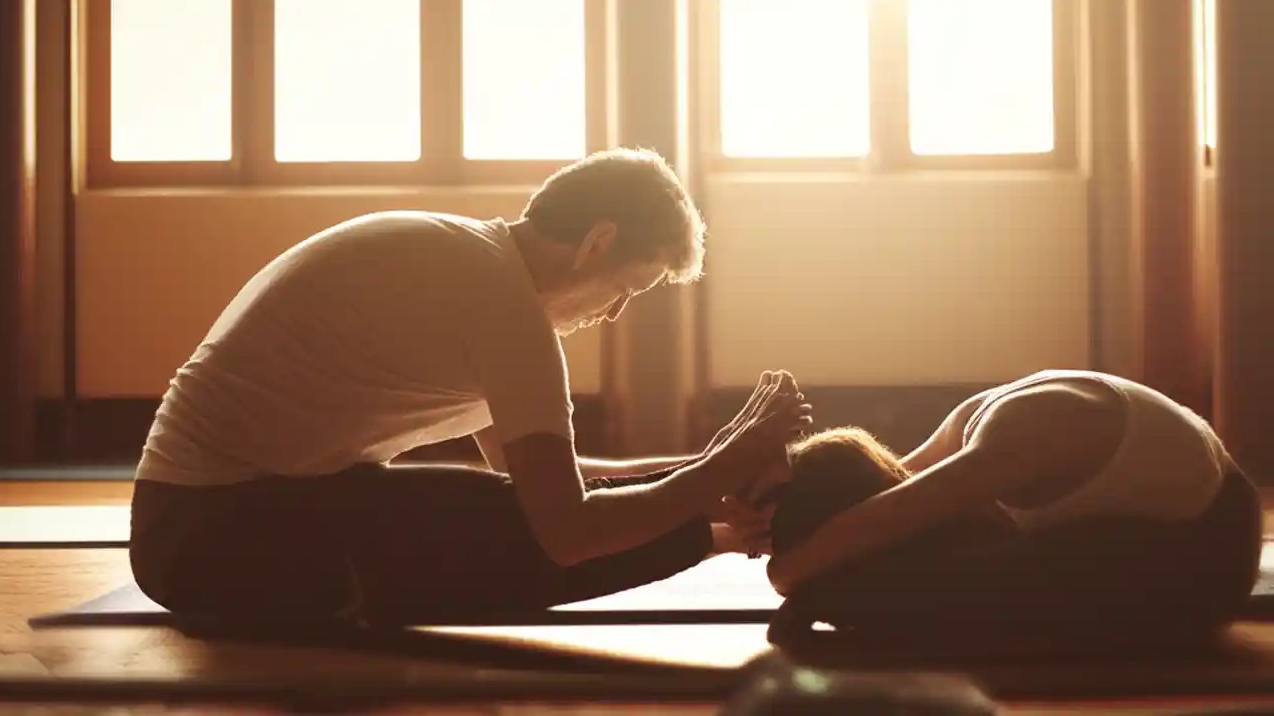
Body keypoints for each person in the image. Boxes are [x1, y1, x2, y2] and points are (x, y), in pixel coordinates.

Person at [129, 148, 810, 626]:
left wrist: (700, 471)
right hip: (214, 541)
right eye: (627, 288)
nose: (613, 312)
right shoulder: (505, 313)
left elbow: (542, 483)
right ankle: (724, 530)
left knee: (491, 508)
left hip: (217, 520)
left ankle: (722, 524)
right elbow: (566, 534)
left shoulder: (474, 263)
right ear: (597, 242)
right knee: (505, 532)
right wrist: (715, 477)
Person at [763, 369, 1262, 646]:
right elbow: (880, 512)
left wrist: (800, 577)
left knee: (951, 592)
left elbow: (868, 528)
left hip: (1209, 548)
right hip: (1160, 513)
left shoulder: (1004, 443)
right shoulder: (954, 435)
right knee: (951, 571)